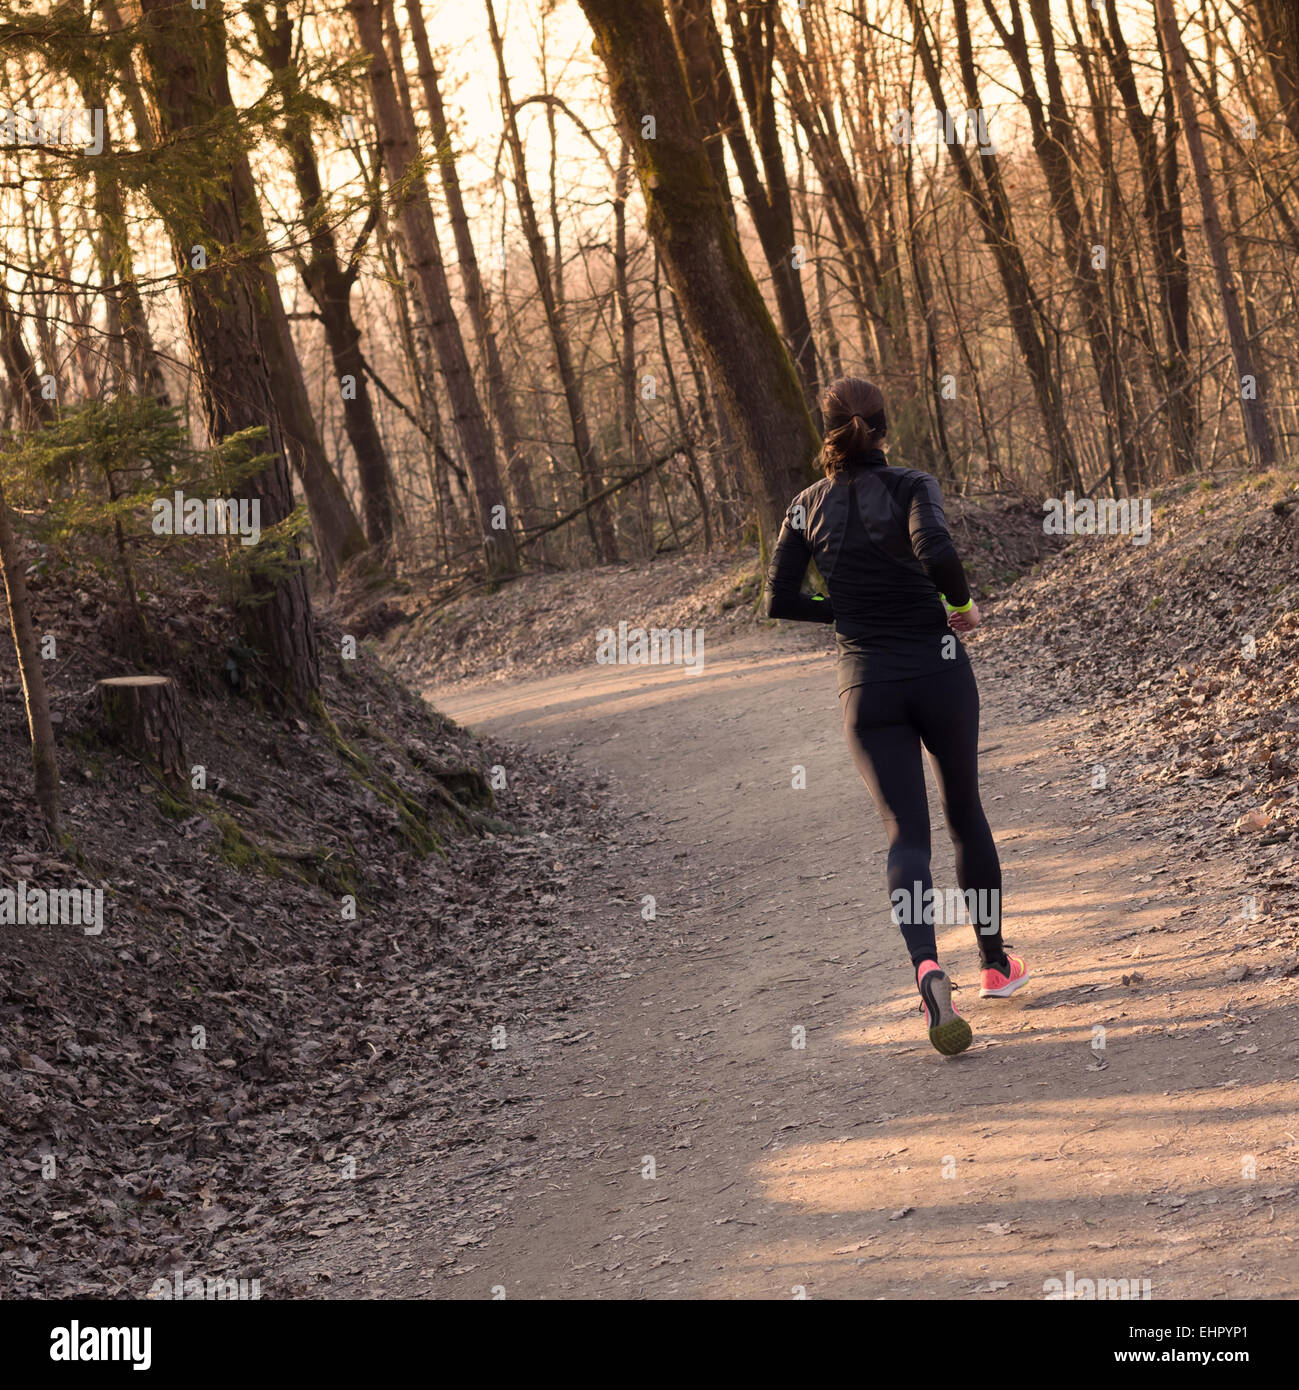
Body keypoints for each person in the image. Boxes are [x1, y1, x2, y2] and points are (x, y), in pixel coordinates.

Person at [764, 377, 1028, 1056]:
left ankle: (925, 967)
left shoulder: (804, 505)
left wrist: (844, 615)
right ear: (884, 425)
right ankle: (995, 964)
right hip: (938, 670)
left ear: (825, 430)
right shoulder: (912, 483)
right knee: (963, 812)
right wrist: (959, 606)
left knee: (903, 834)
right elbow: (936, 550)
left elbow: (779, 599)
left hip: (865, 685)